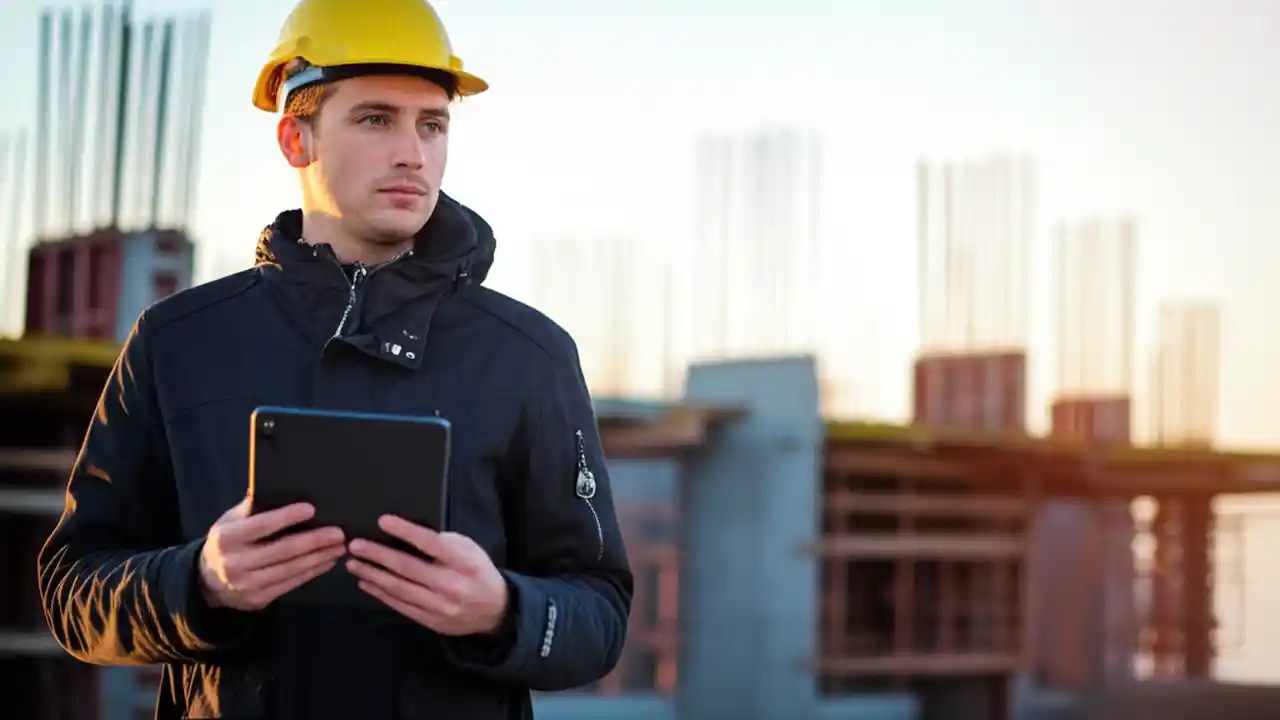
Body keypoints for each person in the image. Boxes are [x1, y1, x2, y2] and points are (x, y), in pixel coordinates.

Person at [36, 0, 633, 717]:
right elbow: (72, 591)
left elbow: (599, 614)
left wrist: (503, 609)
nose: (413, 153)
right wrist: (200, 581)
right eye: (376, 119)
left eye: (432, 124)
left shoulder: (528, 356)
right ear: (296, 139)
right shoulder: (178, 342)